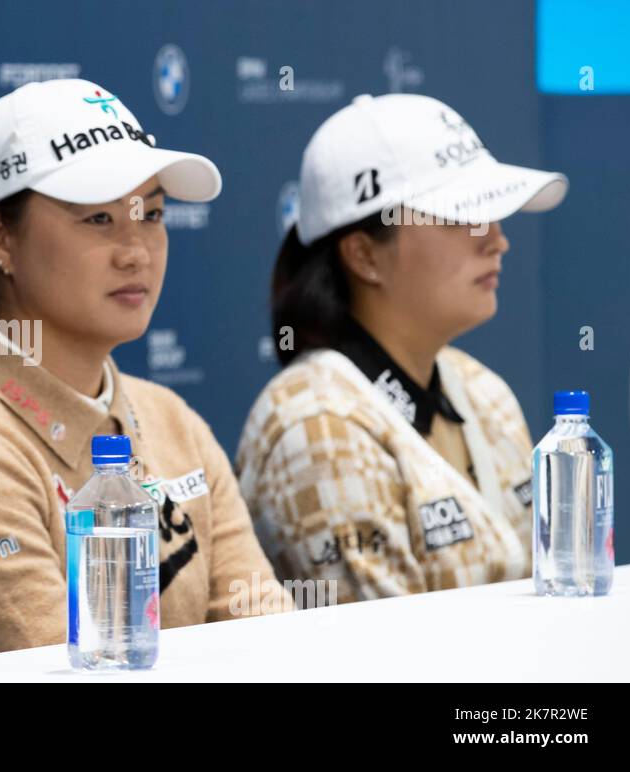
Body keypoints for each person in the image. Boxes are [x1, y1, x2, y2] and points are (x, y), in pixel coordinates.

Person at [0, 78, 288, 669]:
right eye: (98, 220)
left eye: (152, 214)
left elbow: (272, 647)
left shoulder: (171, 419)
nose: (136, 251)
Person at [235, 93, 568, 604]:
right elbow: (387, 661)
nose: (497, 241)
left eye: (494, 214)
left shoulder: (483, 391)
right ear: (364, 254)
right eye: (462, 216)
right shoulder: (317, 427)